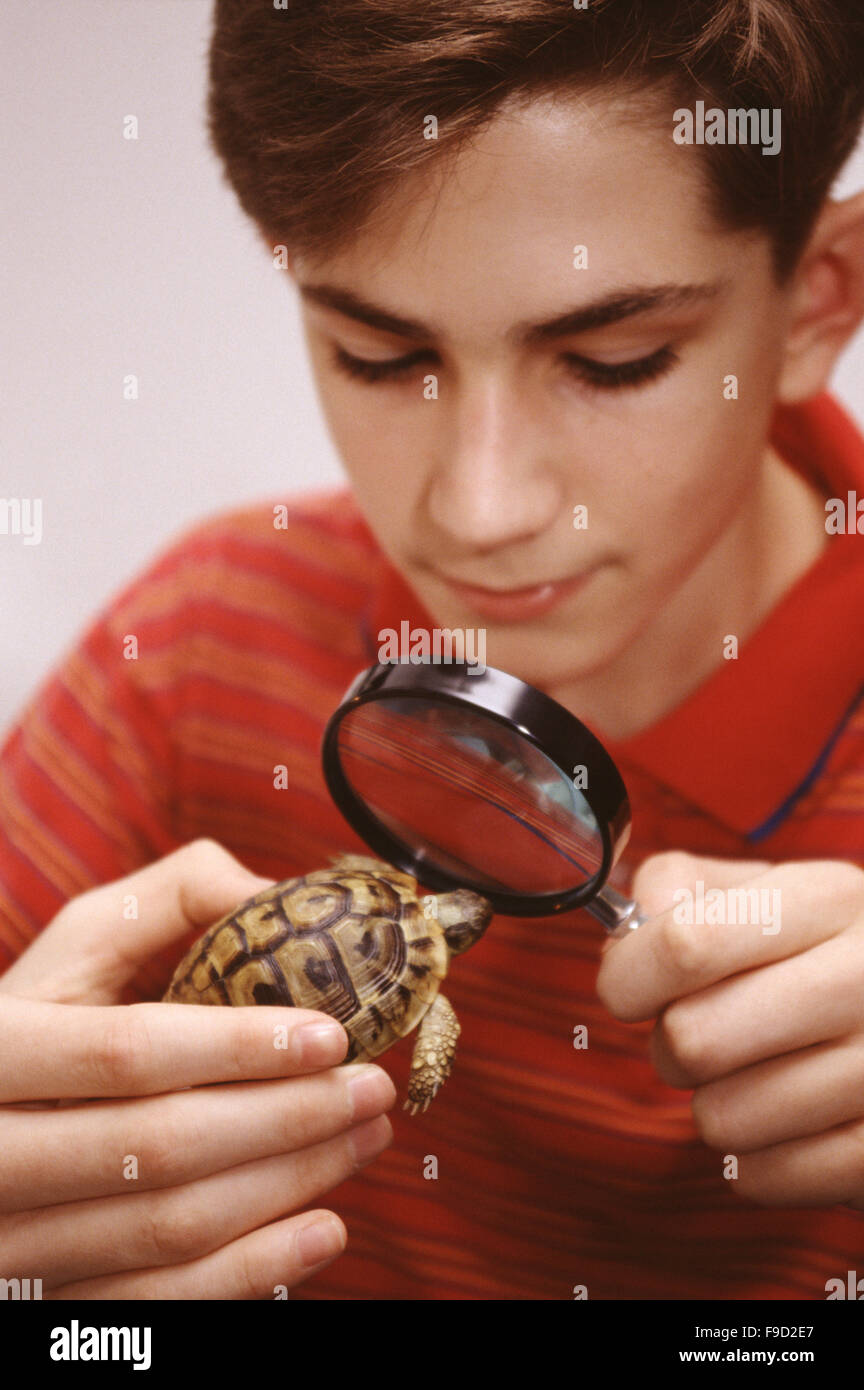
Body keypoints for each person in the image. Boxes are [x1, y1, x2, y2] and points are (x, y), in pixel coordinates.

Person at [2, 0, 864, 1300]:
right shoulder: (191, 650)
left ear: (815, 302)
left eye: (617, 359)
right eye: (379, 351)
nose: (481, 508)